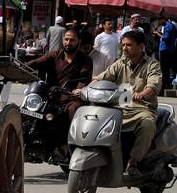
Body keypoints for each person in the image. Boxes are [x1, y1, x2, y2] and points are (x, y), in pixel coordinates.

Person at [81, 29, 163, 176]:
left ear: (141, 46)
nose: (125, 48)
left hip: (142, 108)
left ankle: (133, 161)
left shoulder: (152, 65)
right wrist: (86, 88)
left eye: (129, 45)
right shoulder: (120, 63)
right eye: (123, 45)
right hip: (120, 107)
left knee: (148, 125)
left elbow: (153, 85)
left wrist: (142, 93)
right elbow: (102, 77)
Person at [28, 25, 93, 156]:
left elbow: (84, 79)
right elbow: (34, 63)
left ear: (78, 42)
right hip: (50, 96)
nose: (68, 43)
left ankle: (68, 146)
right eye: (66, 39)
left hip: (71, 98)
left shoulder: (85, 59)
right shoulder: (53, 55)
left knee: (73, 111)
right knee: (29, 109)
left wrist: (78, 90)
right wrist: (20, 68)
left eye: (72, 40)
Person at [158, 15, 177, 95]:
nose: (158, 23)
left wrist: (157, 34)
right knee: (167, 68)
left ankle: (165, 85)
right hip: (170, 49)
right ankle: (167, 84)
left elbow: (166, 38)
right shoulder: (171, 25)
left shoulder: (167, 26)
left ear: (163, 19)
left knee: (164, 68)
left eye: (159, 21)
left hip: (165, 49)